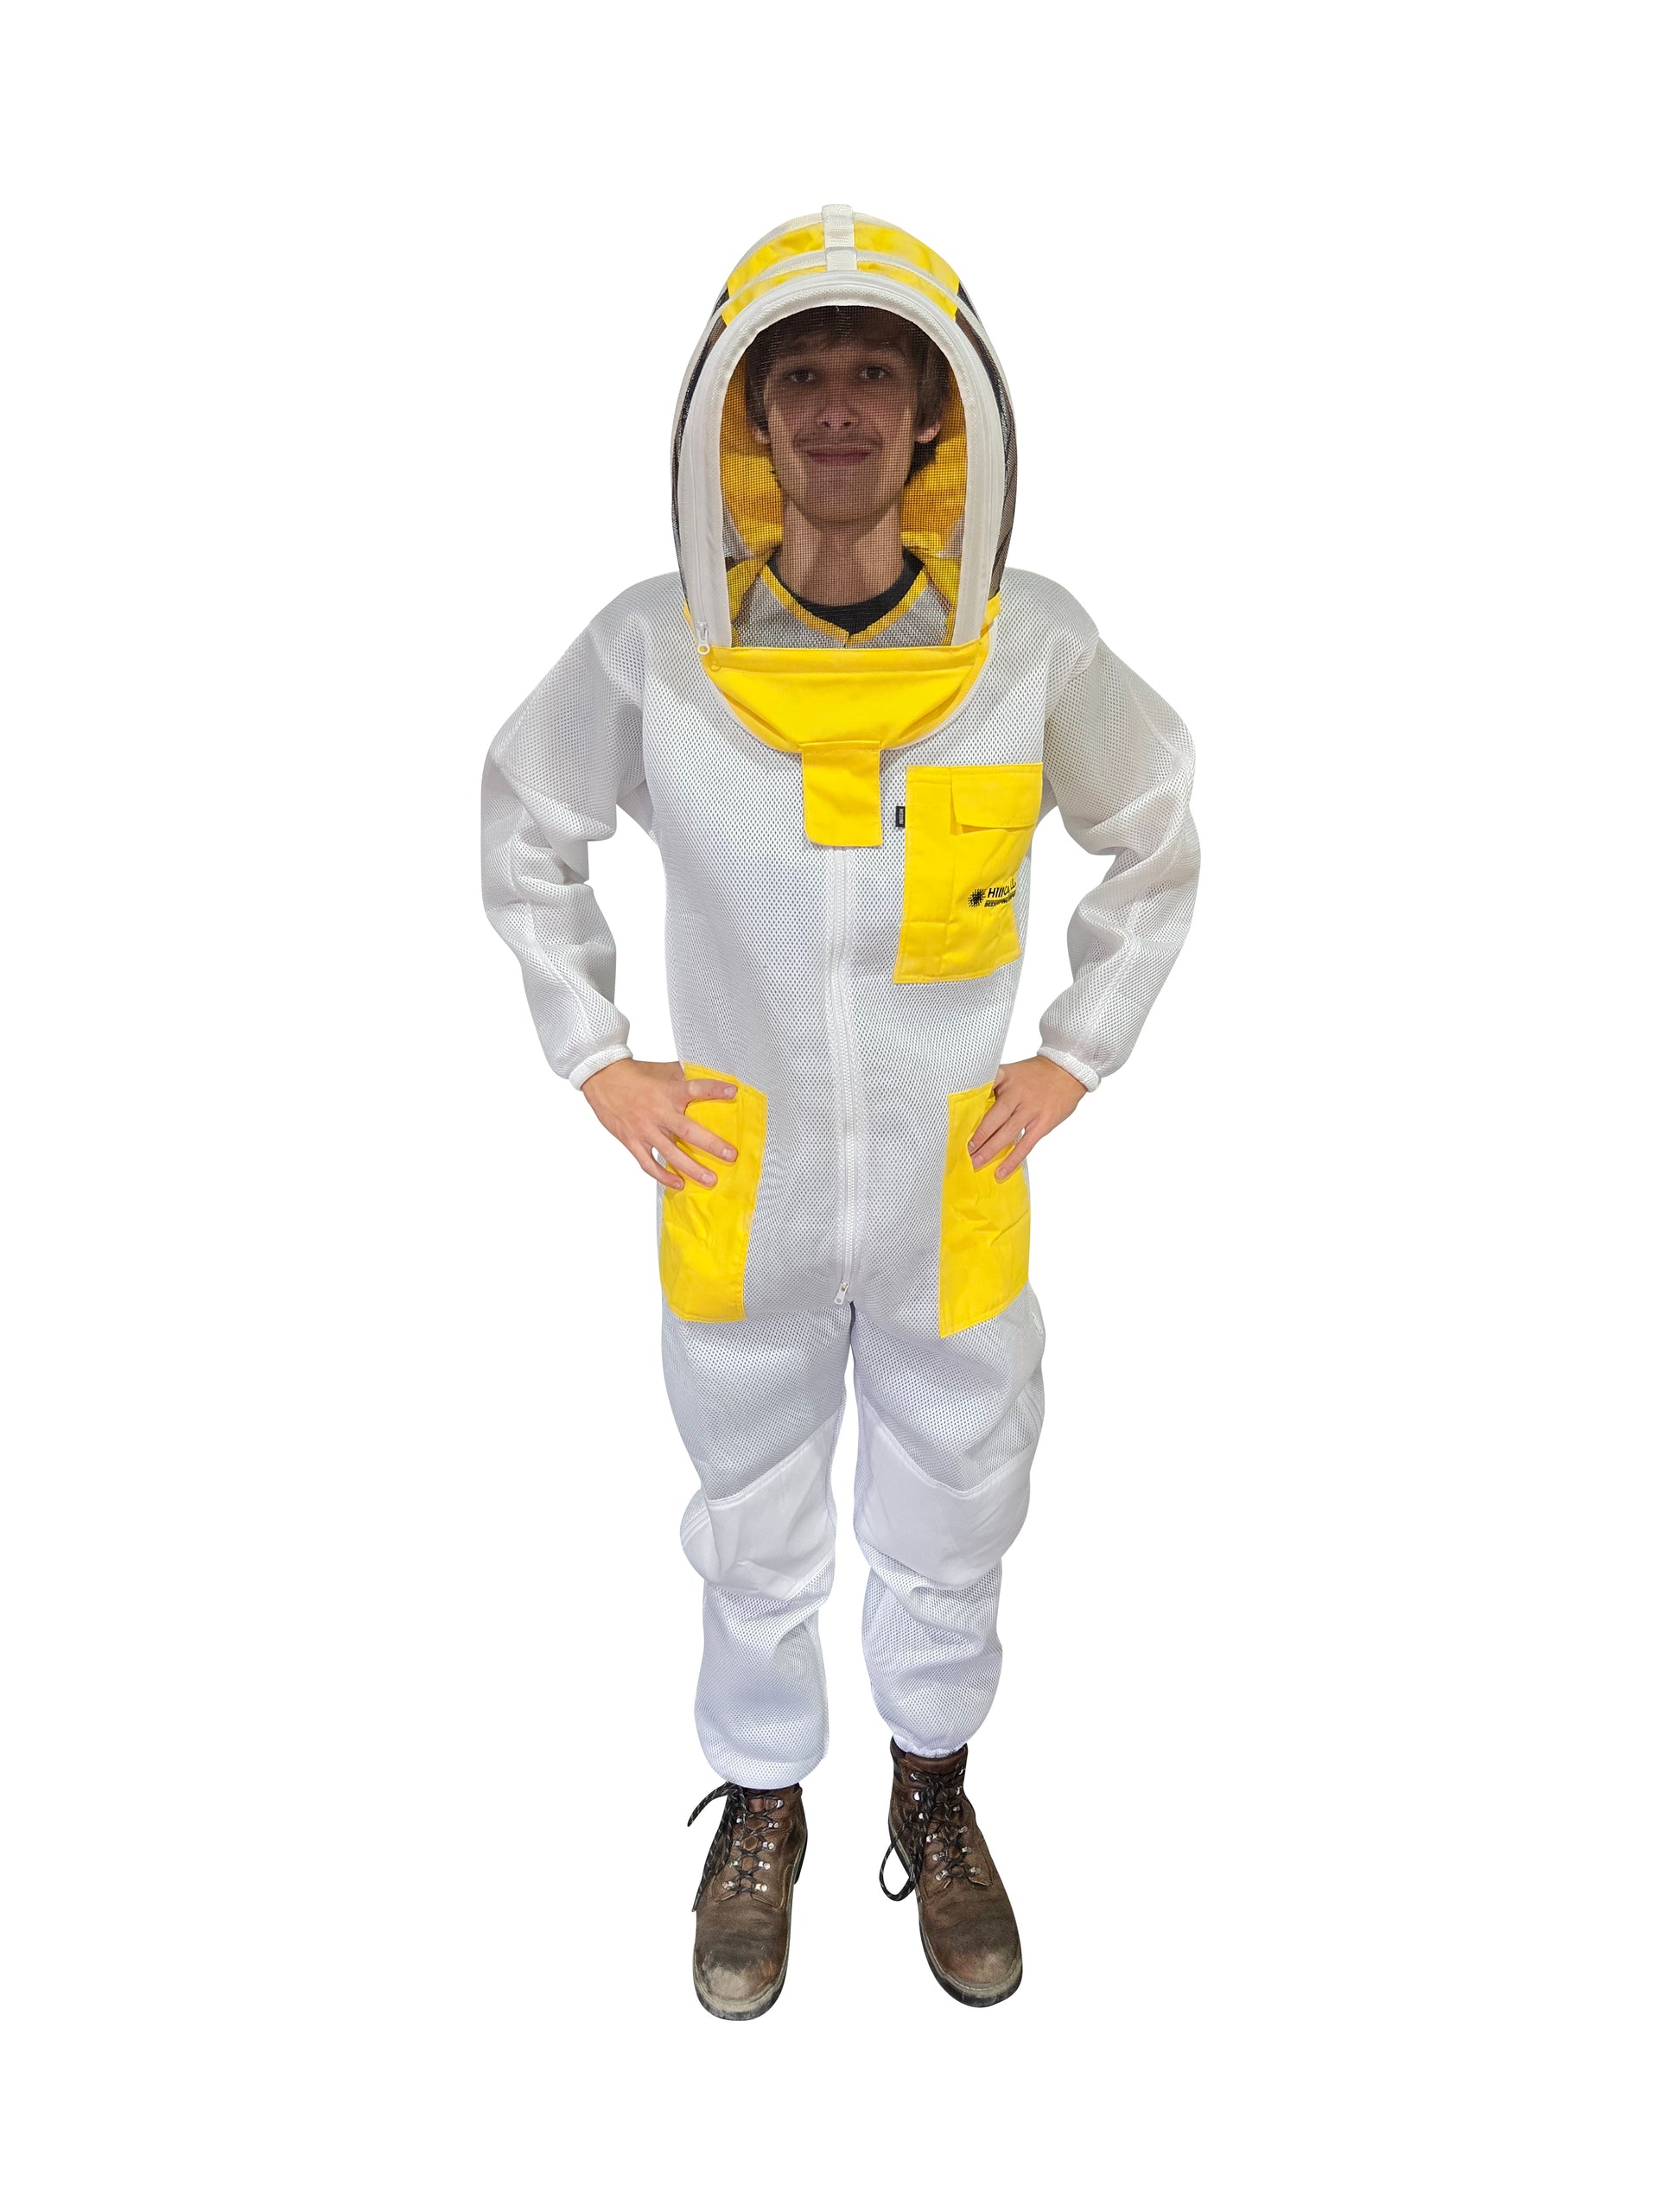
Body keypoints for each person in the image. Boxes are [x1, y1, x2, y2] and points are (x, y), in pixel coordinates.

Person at [480, 207, 1200, 2020]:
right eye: (799, 375)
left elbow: (1154, 828)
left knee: (961, 1497)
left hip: (955, 1184)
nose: (838, 407)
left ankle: (933, 1786)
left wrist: (1081, 1046)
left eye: (878, 371)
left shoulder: (1031, 651)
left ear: (940, 416)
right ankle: (764, 1800)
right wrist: (595, 1053)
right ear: (745, 418)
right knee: (750, 1514)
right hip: (743, 1181)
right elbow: (525, 817)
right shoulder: (656, 651)